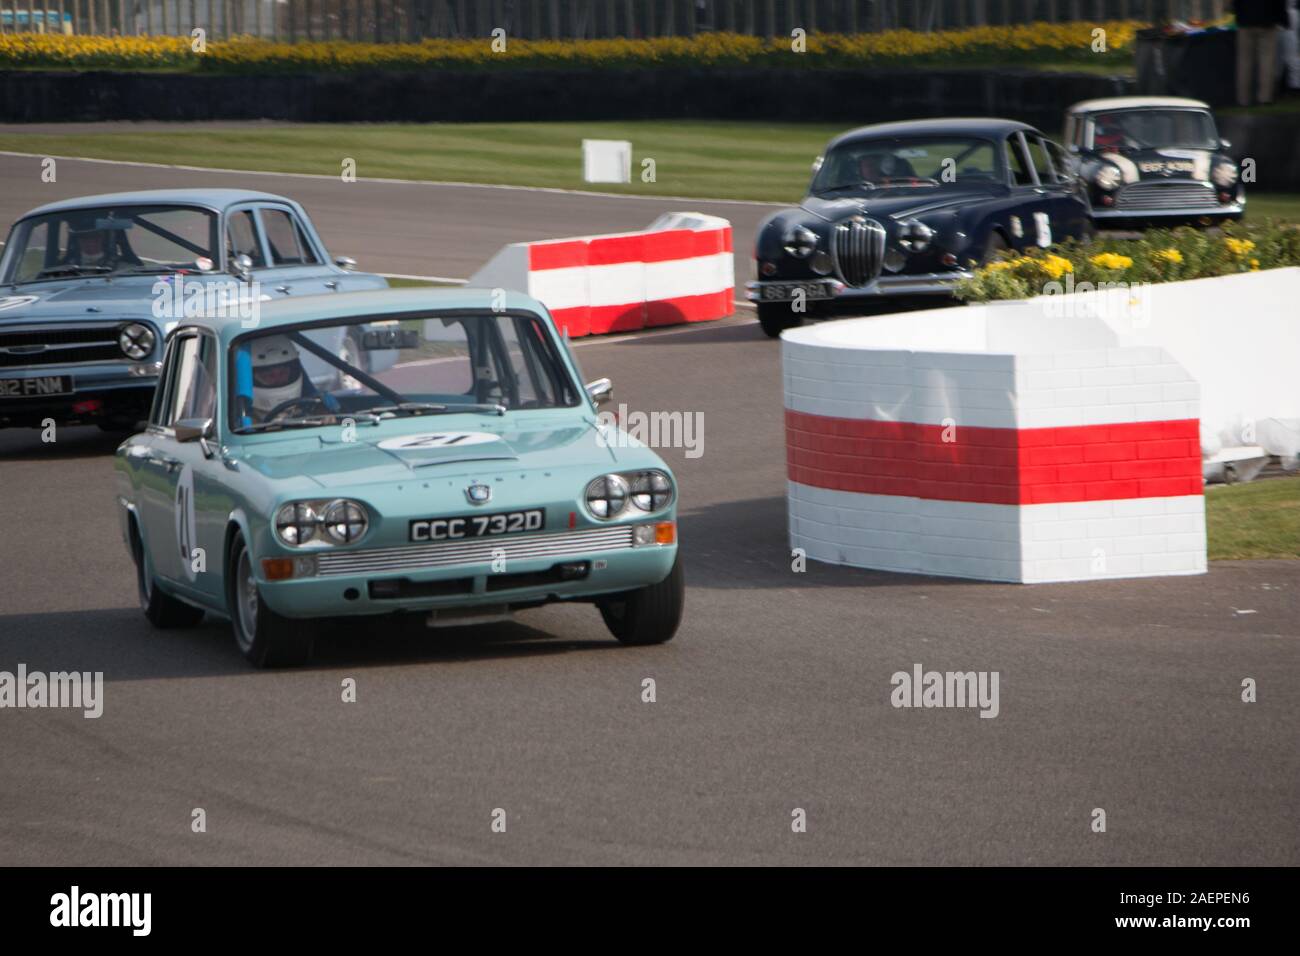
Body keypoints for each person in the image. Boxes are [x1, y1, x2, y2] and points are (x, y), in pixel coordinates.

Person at [1236, 0, 1289, 106]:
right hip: (1267, 20)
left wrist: (1238, 14)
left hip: (1245, 20)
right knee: (1267, 61)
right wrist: (1283, 19)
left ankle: (1243, 99)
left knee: (1244, 62)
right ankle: (1265, 98)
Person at [250, 334, 308, 420]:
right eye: (269, 375)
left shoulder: (311, 411)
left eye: (283, 373)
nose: (278, 380)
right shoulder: (242, 424)